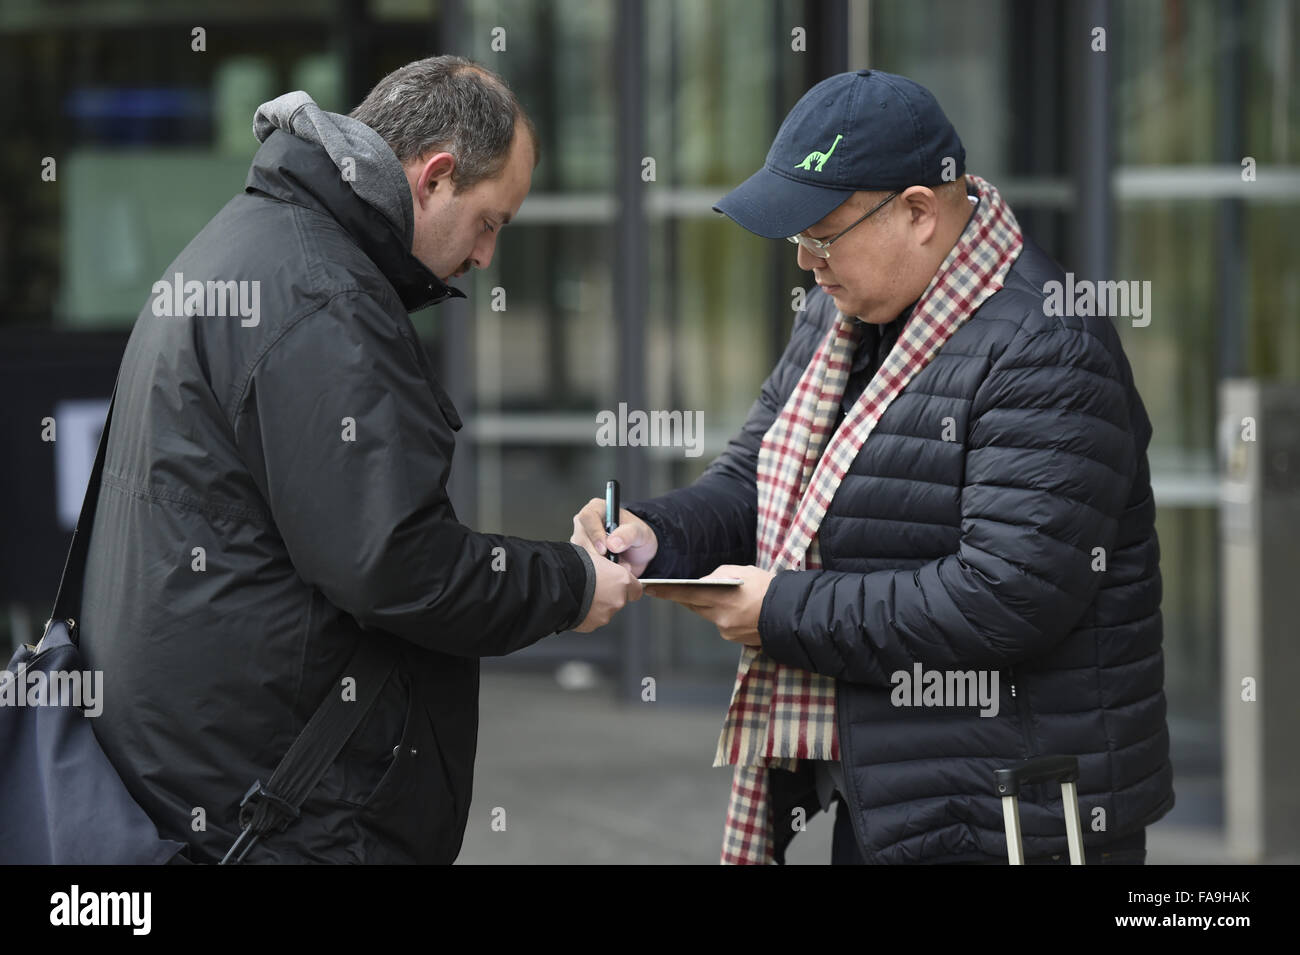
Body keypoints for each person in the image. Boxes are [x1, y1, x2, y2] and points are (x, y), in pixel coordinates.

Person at [572, 69, 1173, 865]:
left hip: (1009, 816)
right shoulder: (844, 306)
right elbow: (759, 478)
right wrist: (658, 532)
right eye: (798, 240)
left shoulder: (1046, 344)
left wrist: (782, 609)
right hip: (891, 792)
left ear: (919, 211)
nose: (805, 263)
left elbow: (1005, 598)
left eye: (821, 233)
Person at [78, 55, 641, 864]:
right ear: (436, 176)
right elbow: (396, 564)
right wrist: (574, 583)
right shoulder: (325, 297)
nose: (485, 258)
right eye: (491, 223)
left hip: (212, 786)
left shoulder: (249, 240)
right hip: (284, 810)